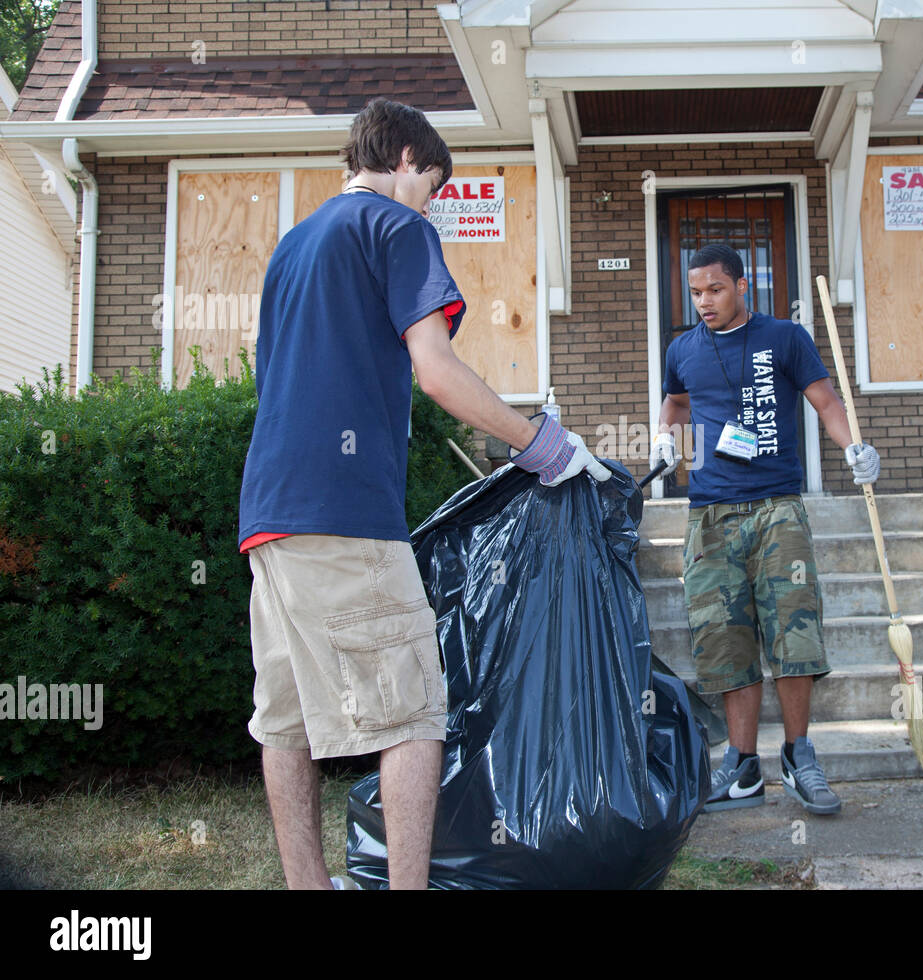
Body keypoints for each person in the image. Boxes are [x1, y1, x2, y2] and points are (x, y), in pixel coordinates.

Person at [237, 98, 609, 889]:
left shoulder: (293, 245)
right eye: (433, 183)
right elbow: (436, 370)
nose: (433, 201)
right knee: (411, 717)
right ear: (406, 158)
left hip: (269, 516)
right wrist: (541, 444)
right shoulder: (396, 228)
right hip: (345, 517)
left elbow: (276, 380)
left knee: (286, 722)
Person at [651, 244, 879, 815]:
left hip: (778, 506)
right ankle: (743, 766)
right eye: (696, 291)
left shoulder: (785, 337)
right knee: (724, 640)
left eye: (715, 290)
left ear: (742, 284)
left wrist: (855, 448)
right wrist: (664, 436)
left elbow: (825, 401)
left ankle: (800, 757)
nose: (704, 301)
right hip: (709, 514)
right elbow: (675, 404)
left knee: (793, 632)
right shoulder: (682, 349)